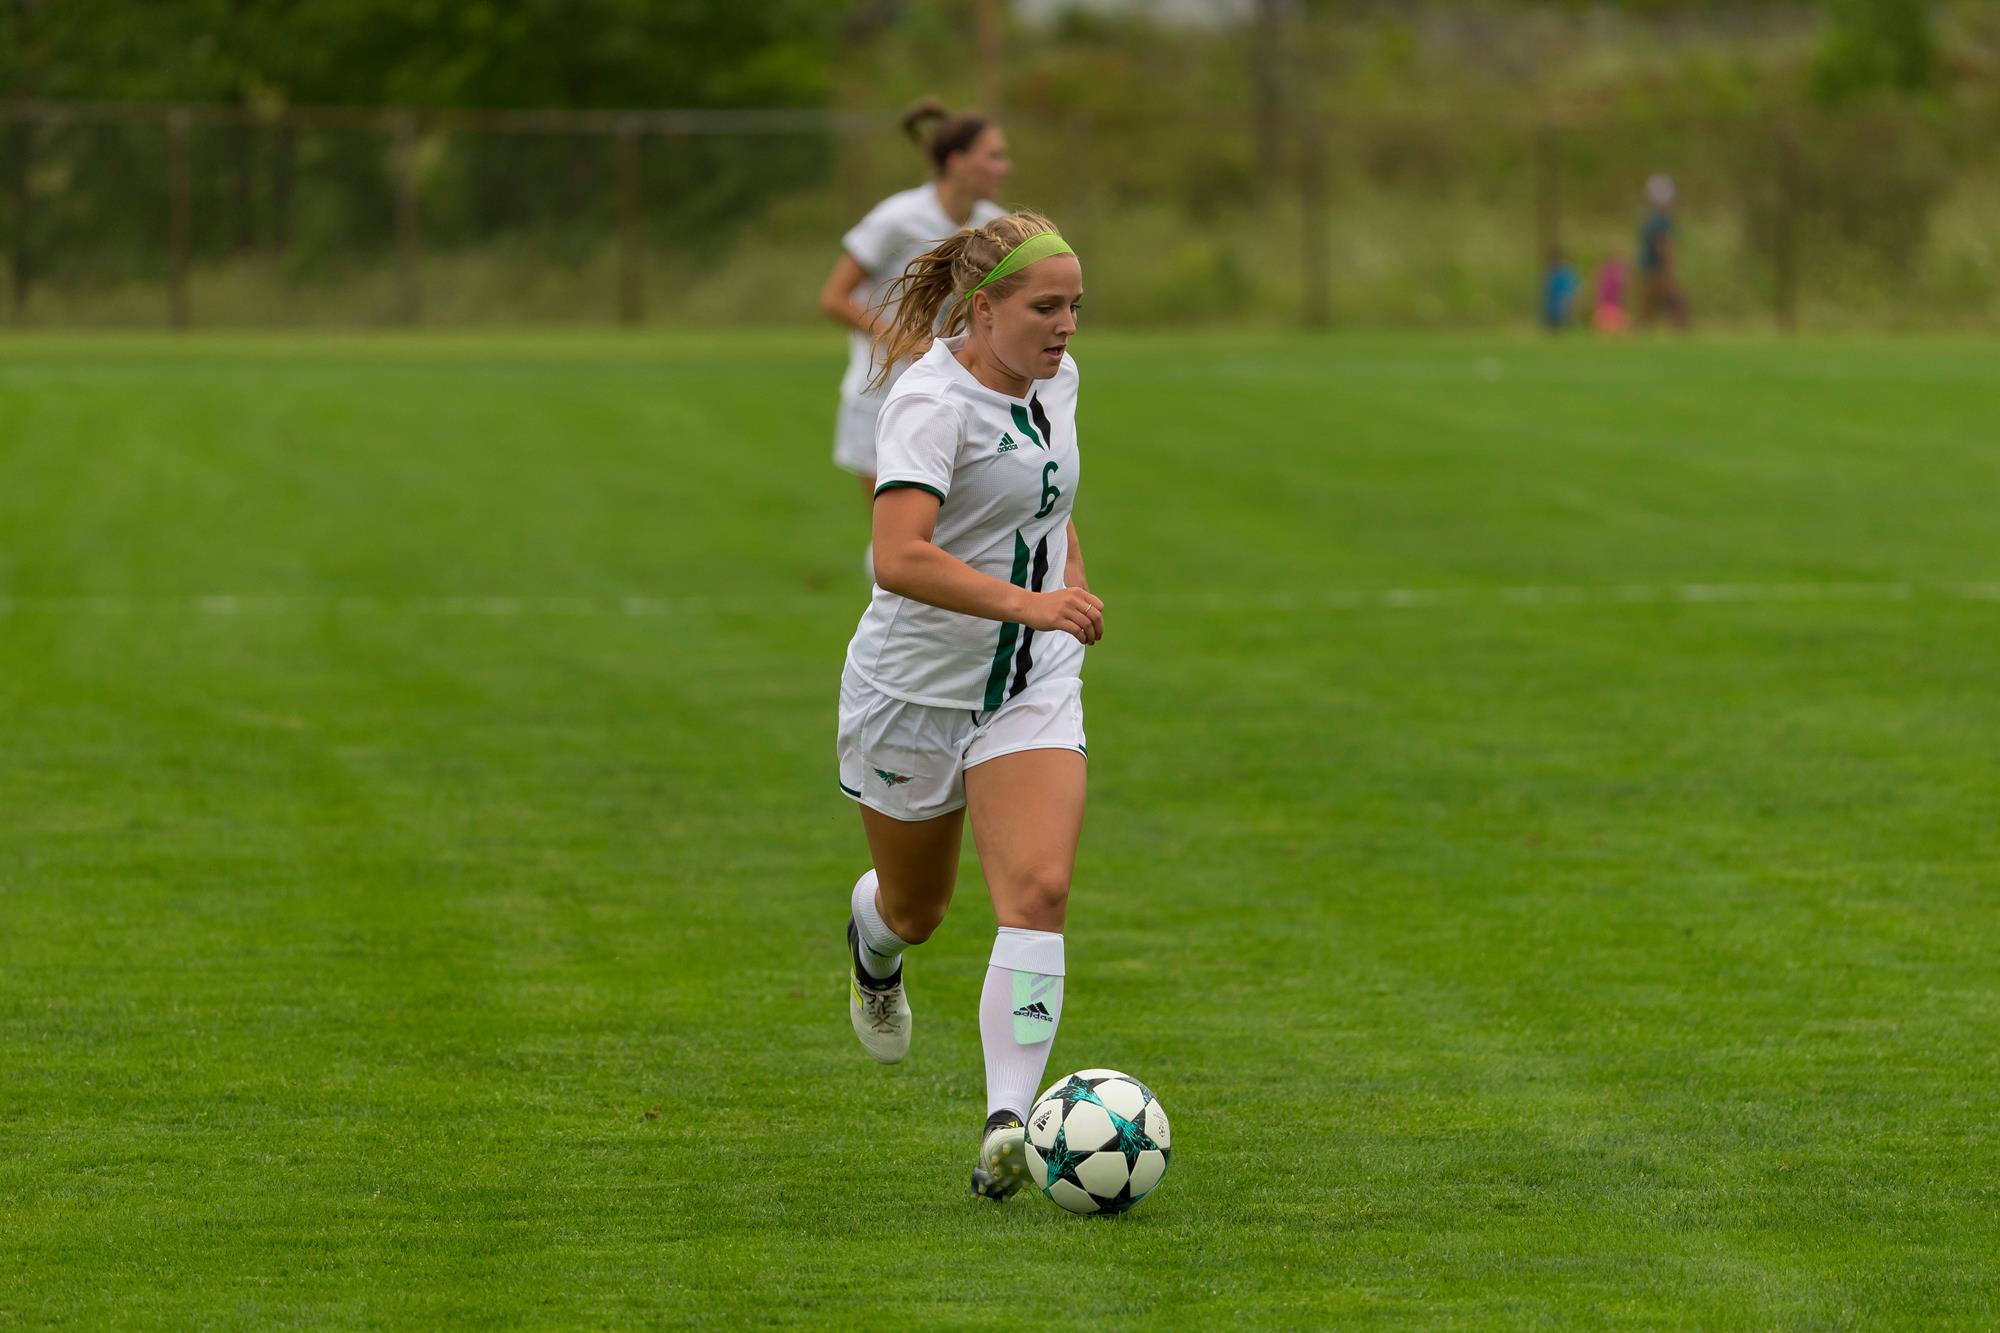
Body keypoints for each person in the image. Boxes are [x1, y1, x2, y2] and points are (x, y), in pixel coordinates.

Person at [834, 211, 1101, 1202]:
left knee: (1036, 889)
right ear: (981, 308)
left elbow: (1050, 501)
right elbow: (898, 556)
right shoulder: (929, 402)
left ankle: (1008, 1124)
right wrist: (1035, 598)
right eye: (1044, 306)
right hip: (913, 691)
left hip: (1030, 676)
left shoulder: (1056, 381)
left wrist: (1063, 589)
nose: (1065, 325)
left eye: (1074, 305)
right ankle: (871, 946)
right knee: (917, 909)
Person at [817, 99, 1012, 573]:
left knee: (949, 541)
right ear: (956, 162)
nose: (1004, 167)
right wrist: (904, 340)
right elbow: (834, 297)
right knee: (898, 543)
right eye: (993, 155)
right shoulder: (898, 218)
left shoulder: (994, 227)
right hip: (880, 398)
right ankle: (887, 639)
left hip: (957, 400)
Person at [1637, 173, 1690, 330]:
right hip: (1658, 270)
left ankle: (1640, 334)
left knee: (1648, 308)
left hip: (1648, 268)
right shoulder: (1662, 219)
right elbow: (1664, 246)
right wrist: (1670, 269)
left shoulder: (1650, 218)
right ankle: (1683, 334)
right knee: (1677, 302)